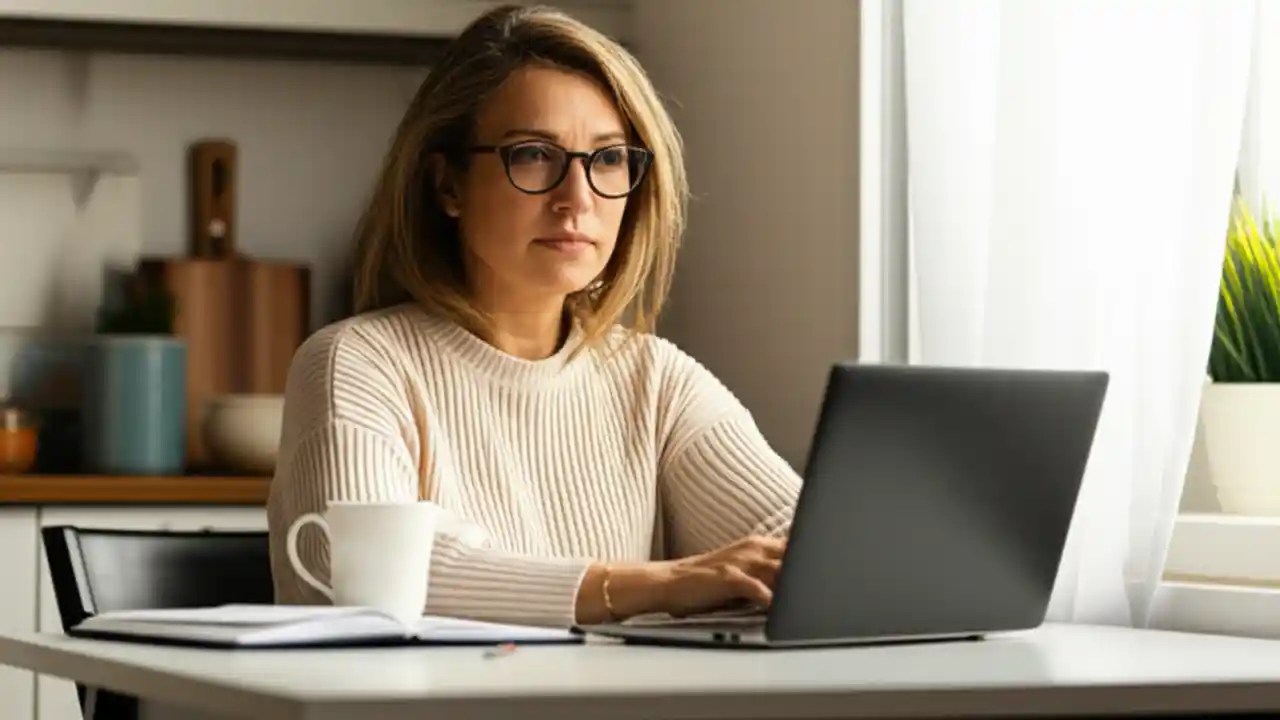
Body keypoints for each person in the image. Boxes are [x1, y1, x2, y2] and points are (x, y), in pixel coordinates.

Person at [267, 3, 802, 629]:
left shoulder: (657, 381)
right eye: (533, 155)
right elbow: (380, 577)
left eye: (607, 160)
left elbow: (814, 554)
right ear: (448, 185)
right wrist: (660, 584)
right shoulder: (355, 364)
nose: (576, 199)